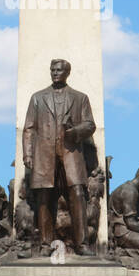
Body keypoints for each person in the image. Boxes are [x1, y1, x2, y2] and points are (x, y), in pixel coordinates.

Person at [22, 59, 96, 255]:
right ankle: (46, 244)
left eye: (59, 70)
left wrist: (75, 131)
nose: (55, 73)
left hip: (71, 153)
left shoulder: (80, 98)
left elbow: (90, 125)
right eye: (52, 70)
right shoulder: (38, 97)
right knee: (44, 197)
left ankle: (81, 244)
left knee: (78, 195)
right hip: (44, 154)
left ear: (67, 73)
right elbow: (29, 128)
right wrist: (28, 154)